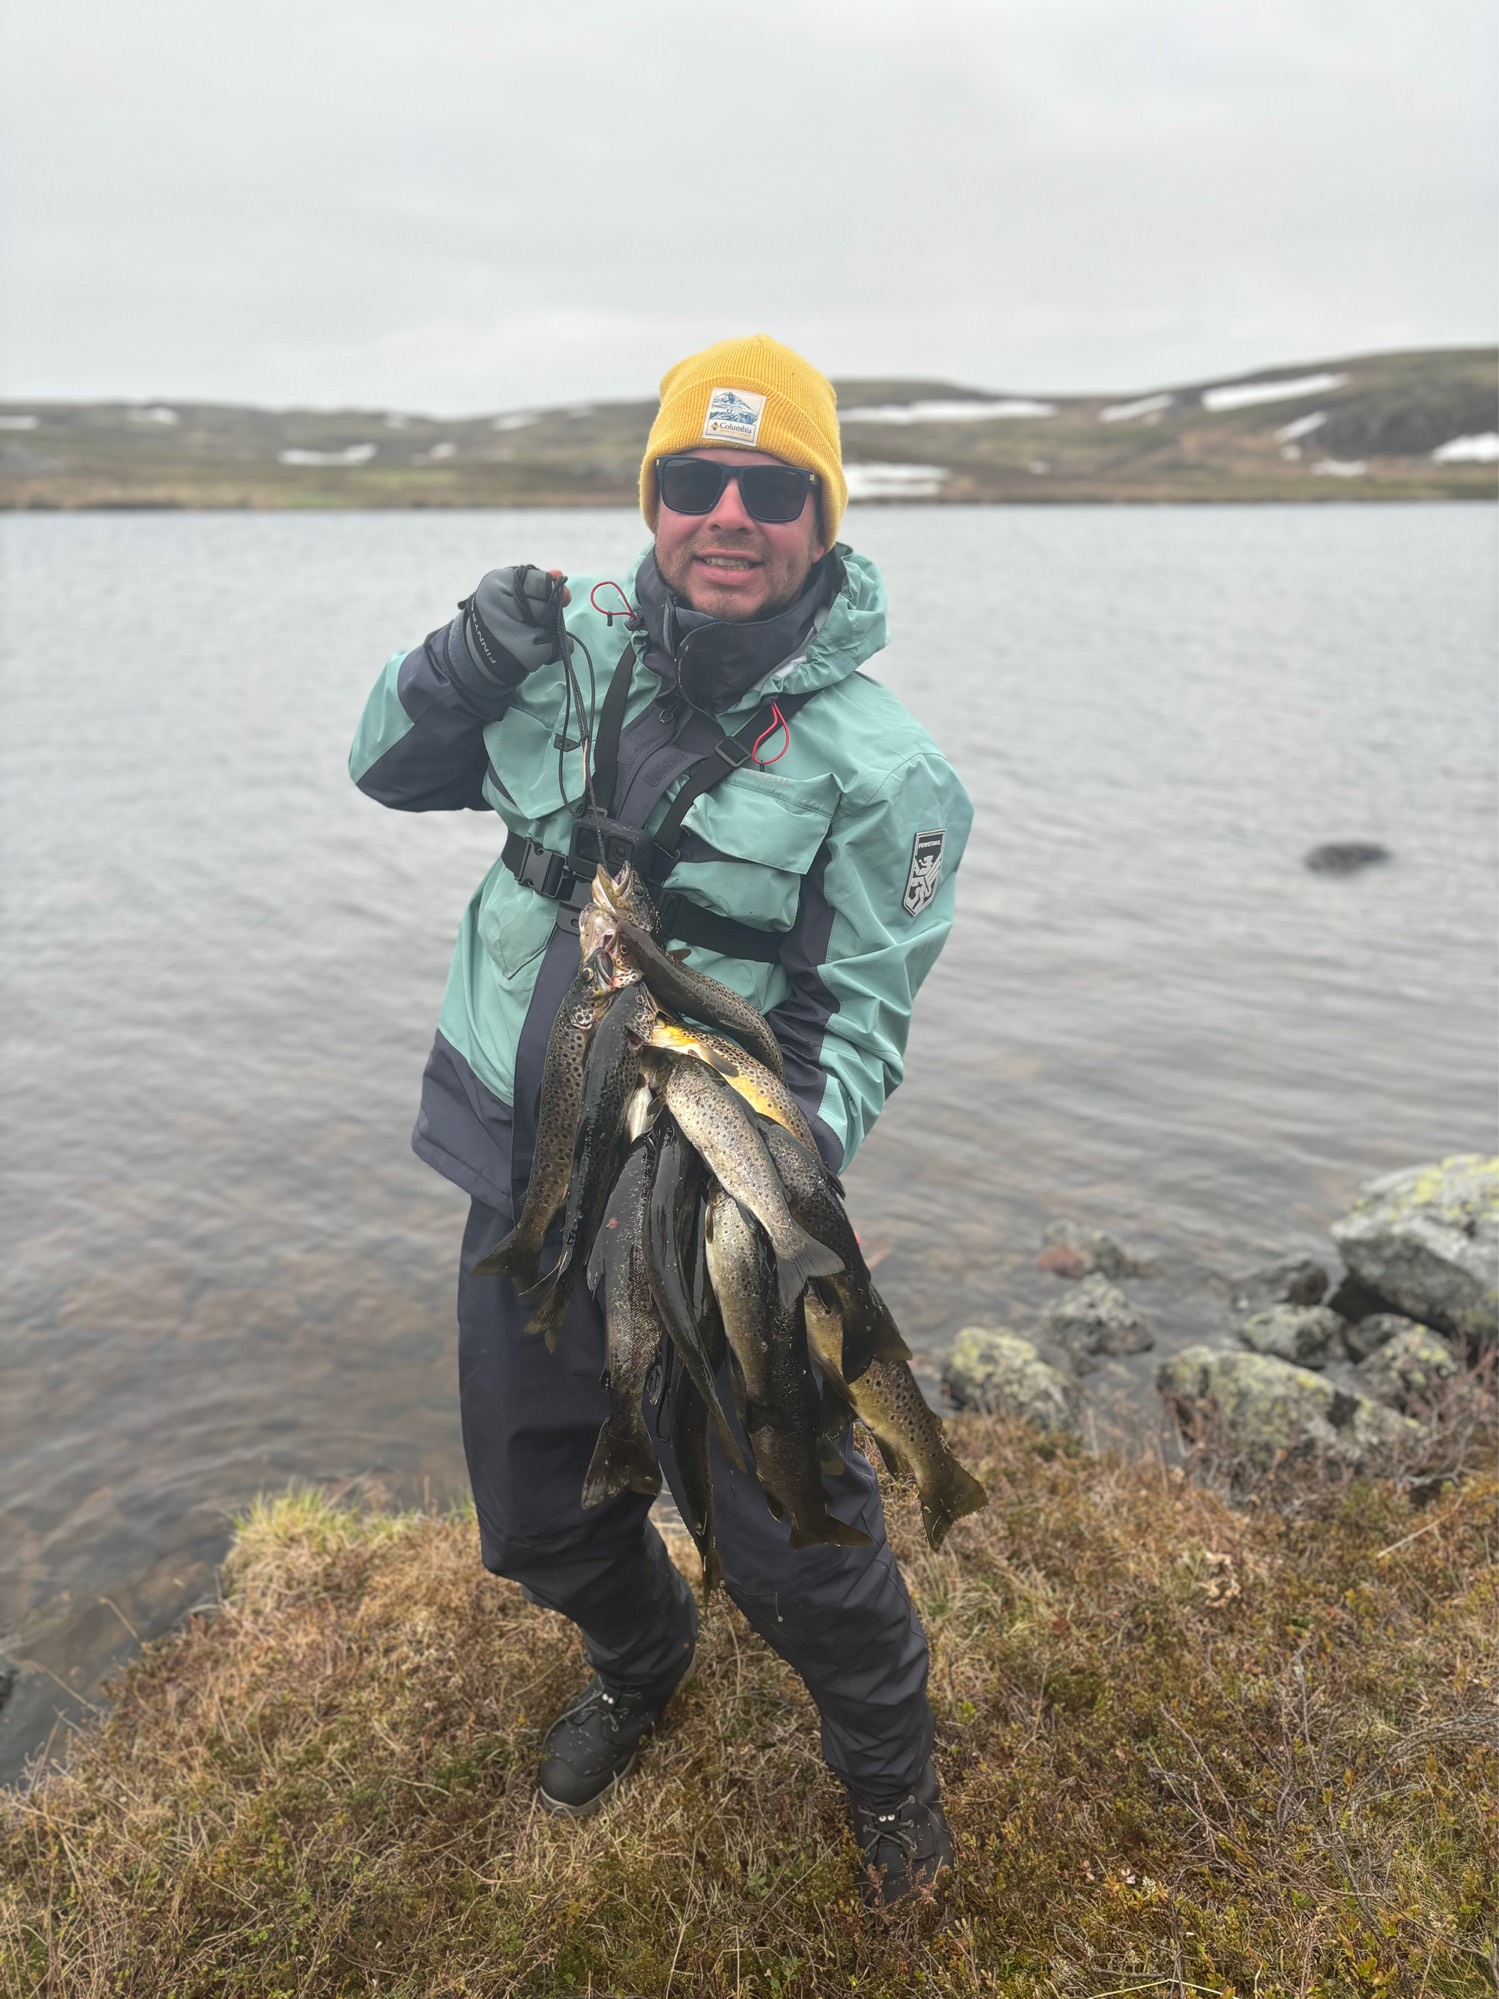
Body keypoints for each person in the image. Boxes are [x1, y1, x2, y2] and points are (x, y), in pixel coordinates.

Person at [349, 334, 973, 1907]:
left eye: (773, 488)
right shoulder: (563, 650)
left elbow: (860, 1019)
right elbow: (387, 768)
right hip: (525, 1150)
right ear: (655, 498)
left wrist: (766, 1168)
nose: (729, 514)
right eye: (696, 481)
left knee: (800, 1544)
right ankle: (645, 1660)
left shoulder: (888, 772)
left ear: (823, 518)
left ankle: (889, 1777)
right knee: (536, 1515)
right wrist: (460, 658)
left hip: (712, 1205)